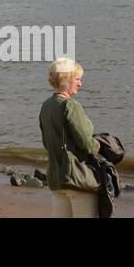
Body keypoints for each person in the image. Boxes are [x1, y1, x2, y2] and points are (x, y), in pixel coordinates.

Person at [39, 57, 100, 218]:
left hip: (56, 180)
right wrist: (99, 144)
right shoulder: (71, 106)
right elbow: (87, 144)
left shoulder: (46, 106)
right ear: (66, 80)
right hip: (77, 179)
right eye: (78, 79)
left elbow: (47, 143)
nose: (80, 84)